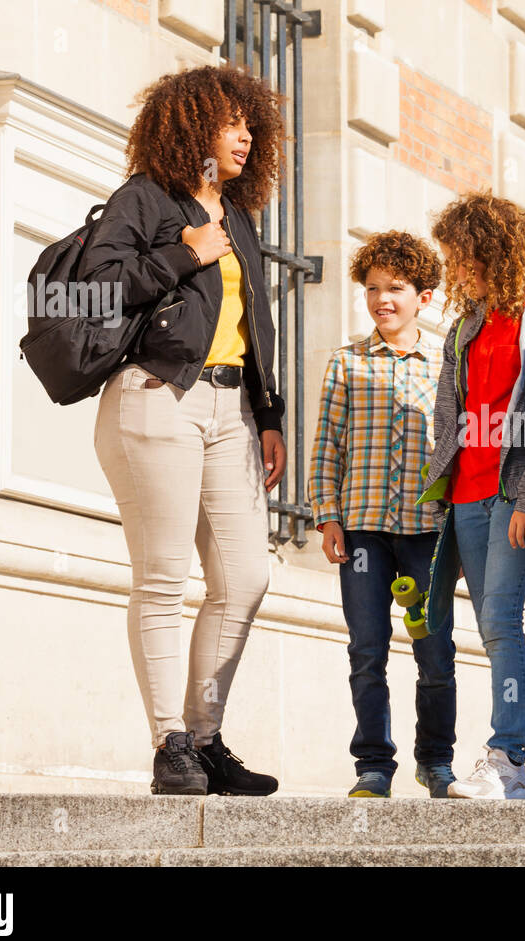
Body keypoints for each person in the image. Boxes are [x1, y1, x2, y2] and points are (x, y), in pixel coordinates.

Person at [84, 65, 287, 796]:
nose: (245, 135)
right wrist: (182, 253)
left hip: (231, 410)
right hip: (156, 397)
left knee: (246, 578)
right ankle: (171, 742)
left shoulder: (239, 218)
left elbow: (255, 325)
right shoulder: (144, 200)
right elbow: (97, 288)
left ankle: (205, 740)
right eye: (231, 122)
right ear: (191, 126)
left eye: (249, 124)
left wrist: (269, 415)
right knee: (164, 578)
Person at [420, 192, 525, 799]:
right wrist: (441, 490)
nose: (459, 271)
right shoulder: (466, 325)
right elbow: (447, 415)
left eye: (466, 257)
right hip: (467, 494)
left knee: (499, 619)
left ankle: (507, 755)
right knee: (493, 628)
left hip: (515, 492)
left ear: (497, 251)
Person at [309, 231, 458, 799]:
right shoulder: (346, 363)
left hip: (427, 536)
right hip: (364, 531)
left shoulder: (447, 364)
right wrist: (328, 516)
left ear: (424, 295)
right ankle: (373, 764)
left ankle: (436, 759)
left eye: (395, 288)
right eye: (372, 289)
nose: (382, 300)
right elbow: (327, 446)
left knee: (434, 650)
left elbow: (458, 451)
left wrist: (460, 535)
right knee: (367, 650)